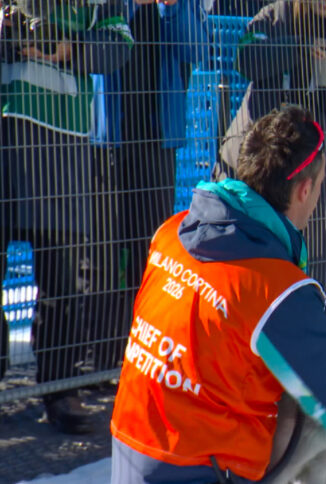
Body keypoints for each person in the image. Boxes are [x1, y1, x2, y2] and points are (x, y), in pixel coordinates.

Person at [110, 106, 326, 483]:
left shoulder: (172, 233)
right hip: (200, 467)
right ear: (304, 189)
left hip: (128, 448)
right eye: (321, 185)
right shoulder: (276, 289)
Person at [0, 0, 133, 434]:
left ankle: (59, 389)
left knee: (61, 278)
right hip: (4, 130)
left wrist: (70, 47)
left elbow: (120, 43)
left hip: (63, 146)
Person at [214, 0, 326, 296]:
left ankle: (316, 313)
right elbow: (245, 60)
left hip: (313, 164)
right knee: (255, 245)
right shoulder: (273, 16)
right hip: (265, 157)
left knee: (320, 250)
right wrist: (297, 48)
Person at [94, 0, 211, 373]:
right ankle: (102, 350)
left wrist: (171, 8)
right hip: (107, 138)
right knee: (104, 250)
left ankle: (142, 343)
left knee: (150, 250)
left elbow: (198, 49)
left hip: (157, 140)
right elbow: (97, 35)